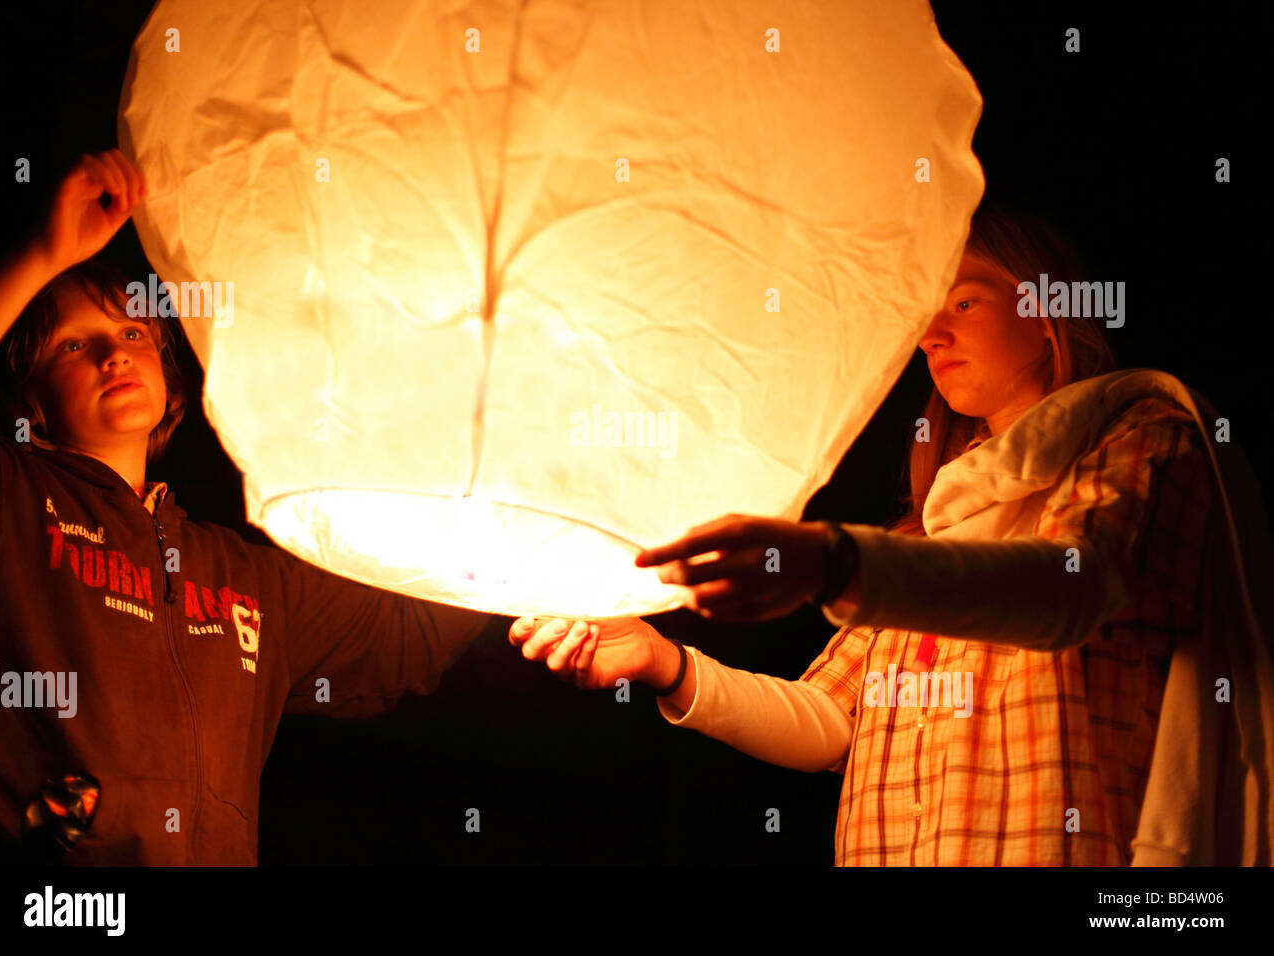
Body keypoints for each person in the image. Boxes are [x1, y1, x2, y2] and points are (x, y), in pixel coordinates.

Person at [510, 208, 1274, 866]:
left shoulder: (1144, 436)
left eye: (964, 302)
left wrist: (834, 564)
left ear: (1047, 310)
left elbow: (1074, 587)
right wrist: (662, 661)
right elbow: (829, 721)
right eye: (925, 314)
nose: (931, 335)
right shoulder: (926, 535)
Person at [0, 149, 493, 865]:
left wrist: (518, 514)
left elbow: (408, 635)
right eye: (72, 345)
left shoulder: (247, 580)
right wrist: (44, 255)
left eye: (132, 334)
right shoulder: (3, 504)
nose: (113, 354)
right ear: (28, 400)